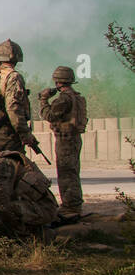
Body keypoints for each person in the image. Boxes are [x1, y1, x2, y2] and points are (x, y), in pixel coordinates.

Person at [0, 130, 59, 237]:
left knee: (3, 209)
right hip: (36, 206)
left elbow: (0, 198)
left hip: (43, 209)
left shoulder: (1, 165)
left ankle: (30, 237)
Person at [39, 65, 88, 223]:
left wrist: (44, 100)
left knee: (66, 173)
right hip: (73, 138)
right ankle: (74, 204)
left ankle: (70, 206)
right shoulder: (76, 96)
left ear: (59, 82)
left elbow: (50, 115)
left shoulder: (64, 99)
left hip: (65, 139)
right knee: (73, 171)